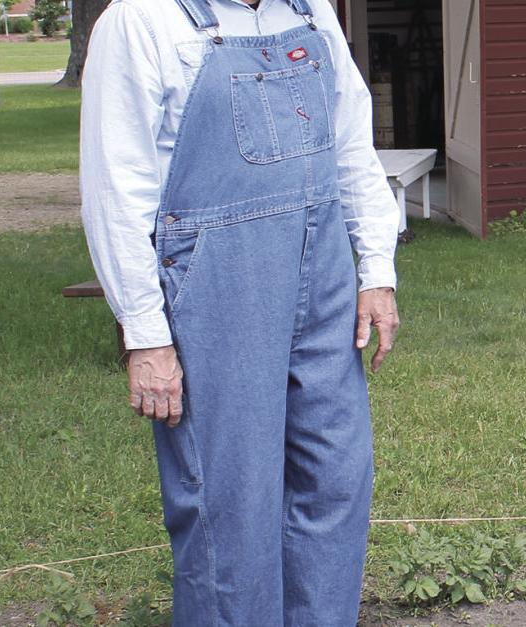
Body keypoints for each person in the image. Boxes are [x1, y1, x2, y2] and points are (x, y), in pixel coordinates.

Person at [79, 0, 400, 624]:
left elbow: (352, 142)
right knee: (230, 504)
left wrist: (376, 272)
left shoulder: (310, 12)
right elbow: (116, 189)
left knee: (336, 479)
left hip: (326, 276)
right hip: (216, 283)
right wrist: (146, 335)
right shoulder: (140, 20)